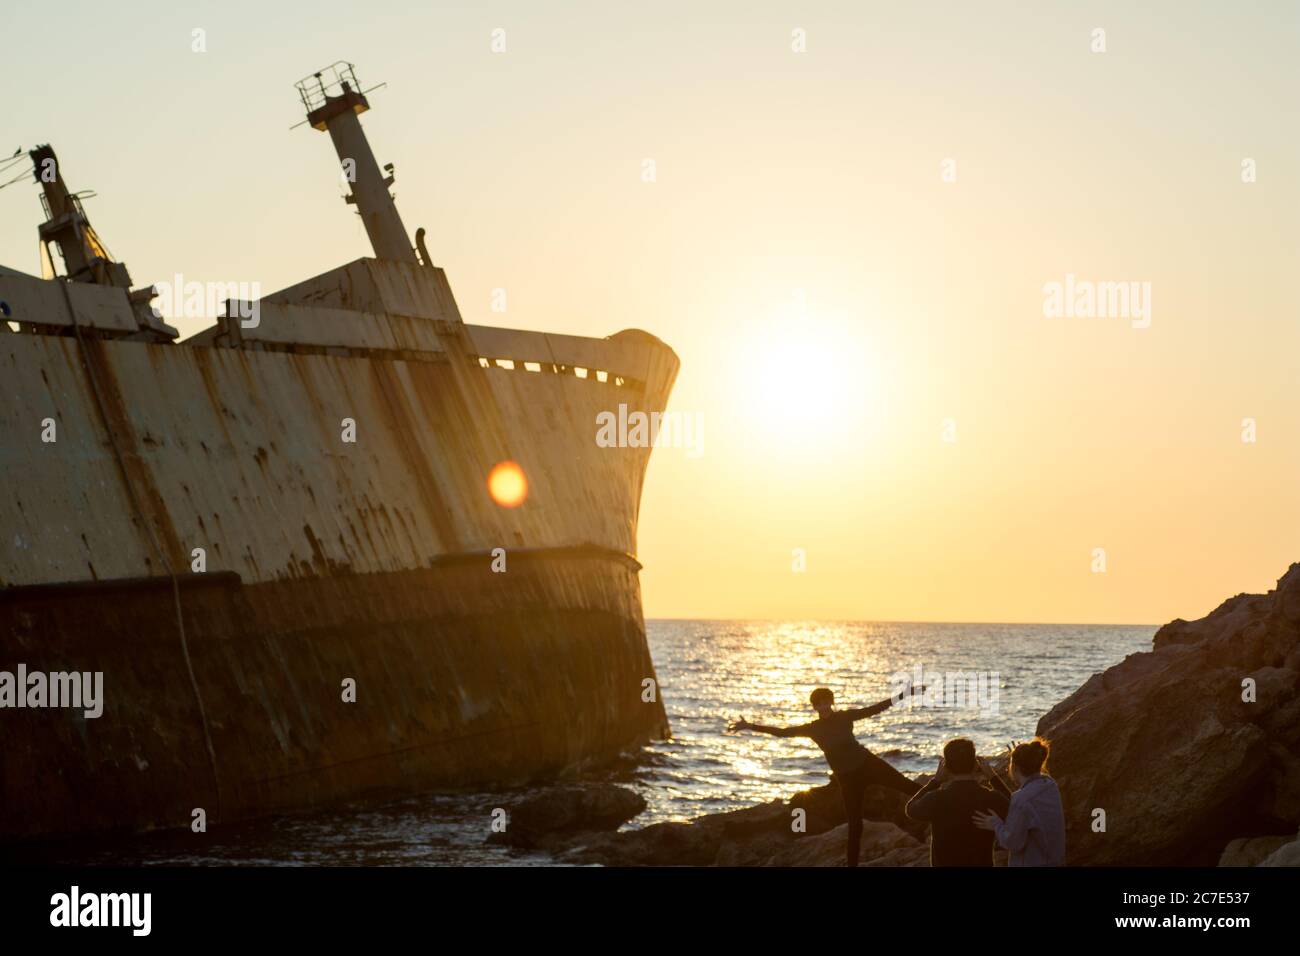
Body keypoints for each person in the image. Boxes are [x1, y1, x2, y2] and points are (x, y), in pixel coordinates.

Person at [728, 685, 922, 866]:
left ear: (831, 702)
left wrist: (907, 693)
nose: (822, 706)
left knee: (908, 787)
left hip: (867, 764)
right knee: (855, 825)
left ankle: (945, 801)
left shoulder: (845, 717)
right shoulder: (813, 729)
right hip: (846, 778)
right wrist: (750, 726)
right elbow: (783, 732)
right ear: (814, 707)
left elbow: (876, 708)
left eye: (825, 701)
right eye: (818, 703)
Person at [904, 738, 1010, 866]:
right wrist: (993, 778)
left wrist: (935, 782)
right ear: (976, 764)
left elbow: (910, 809)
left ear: (946, 767)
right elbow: (1016, 807)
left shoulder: (936, 798)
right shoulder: (990, 798)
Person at [972, 737, 1065, 866]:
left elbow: (1013, 843)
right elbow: (1021, 805)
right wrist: (992, 777)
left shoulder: (1022, 799)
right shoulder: (1050, 785)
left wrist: (995, 824)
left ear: (1013, 767)